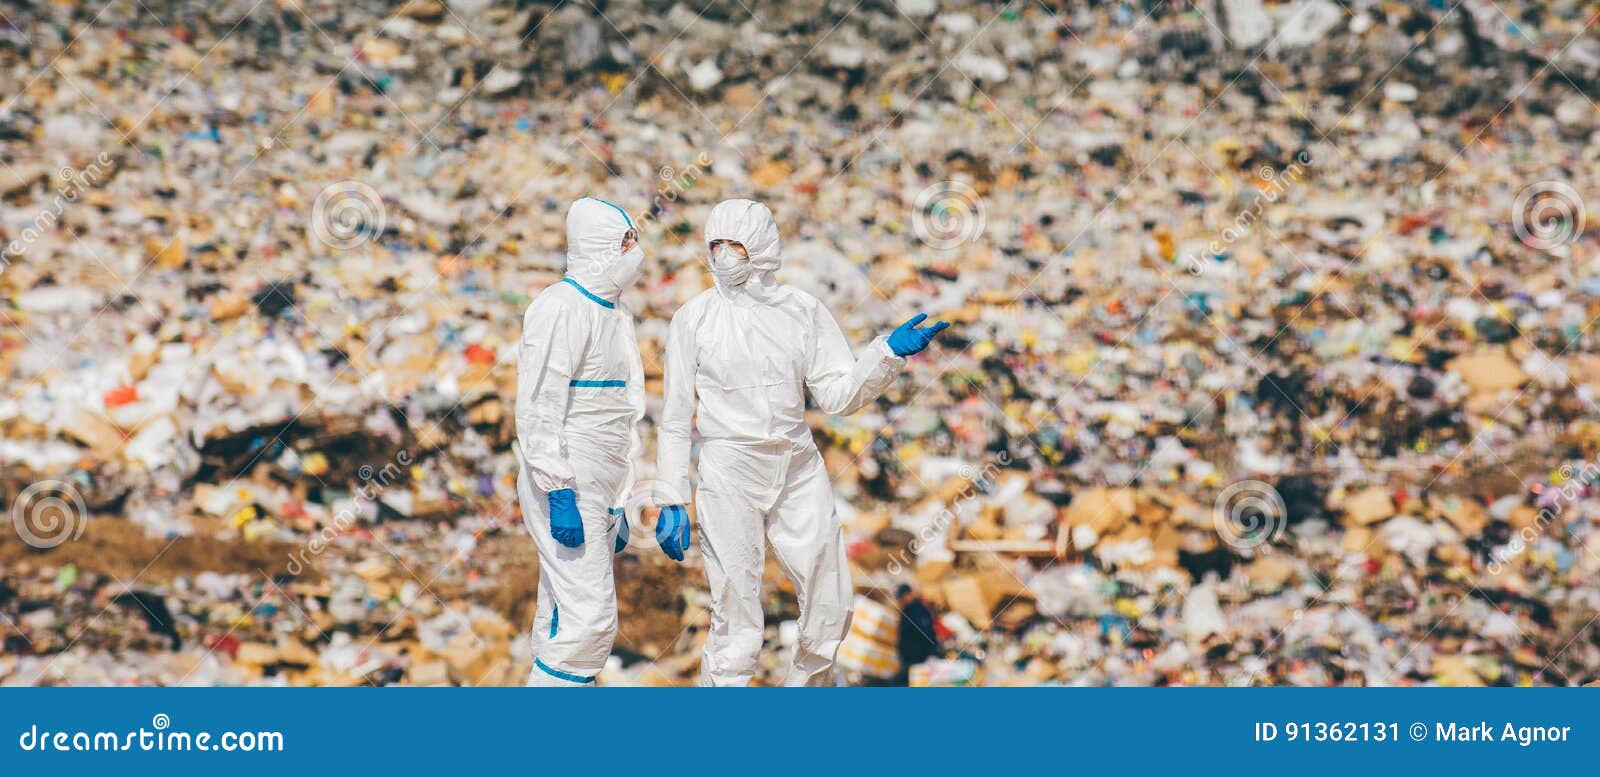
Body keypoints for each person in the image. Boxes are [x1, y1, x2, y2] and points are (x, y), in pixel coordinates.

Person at [654, 198, 948, 686]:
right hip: (729, 469)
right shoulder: (693, 318)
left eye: (736, 244)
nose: (725, 255)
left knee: (830, 604)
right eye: (716, 245)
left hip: (795, 464)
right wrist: (670, 496)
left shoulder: (802, 311)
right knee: (736, 619)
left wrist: (885, 356)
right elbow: (675, 415)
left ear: (763, 246)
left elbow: (836, 395)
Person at [515, 196, 684, 687]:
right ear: (598, 247)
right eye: (626, 242)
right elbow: (539, 404)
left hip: (598, 485)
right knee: (591, 621)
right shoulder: (559, 307)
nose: (636, 251)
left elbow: (621, 415)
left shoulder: (615, 313)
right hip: (566, 482)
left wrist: (619, 501)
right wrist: (560, 488)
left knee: (563, 613)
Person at [893, 584, 939, 686]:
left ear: (909, 594)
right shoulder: (907, 611)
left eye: (902, 597)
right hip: (909, 659)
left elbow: (927, 632)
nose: (901, 600)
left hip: (918, 658)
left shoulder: (918, 610)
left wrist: (932, 653)